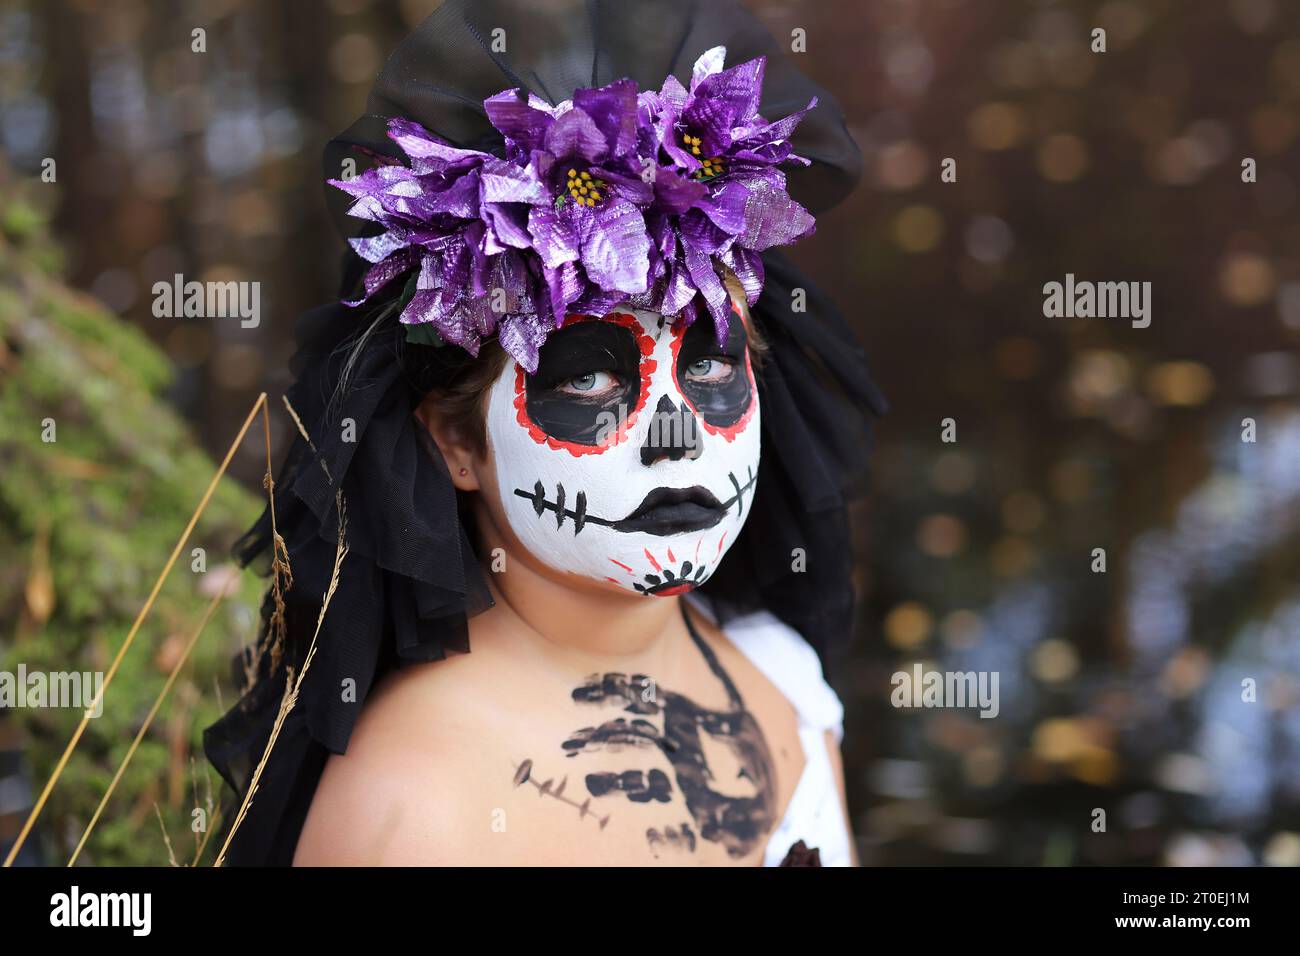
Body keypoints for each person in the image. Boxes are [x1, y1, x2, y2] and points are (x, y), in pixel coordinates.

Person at [204, 0, 885, 867]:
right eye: (589, 378)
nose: (675, 437)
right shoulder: (414, 809)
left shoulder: (785, 682)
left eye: (710, 364)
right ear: (454, 443)